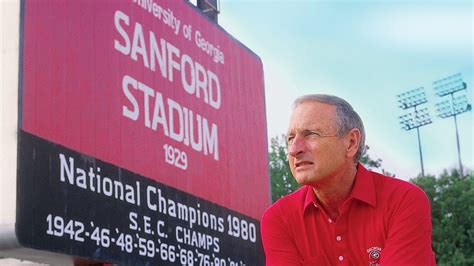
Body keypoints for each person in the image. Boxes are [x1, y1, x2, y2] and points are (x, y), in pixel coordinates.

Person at [261, 94, 436, 265]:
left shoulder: (403, 200)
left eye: (311, 134)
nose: (294, 149)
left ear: (351, 142)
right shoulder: (278, 219)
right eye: (290, 138)